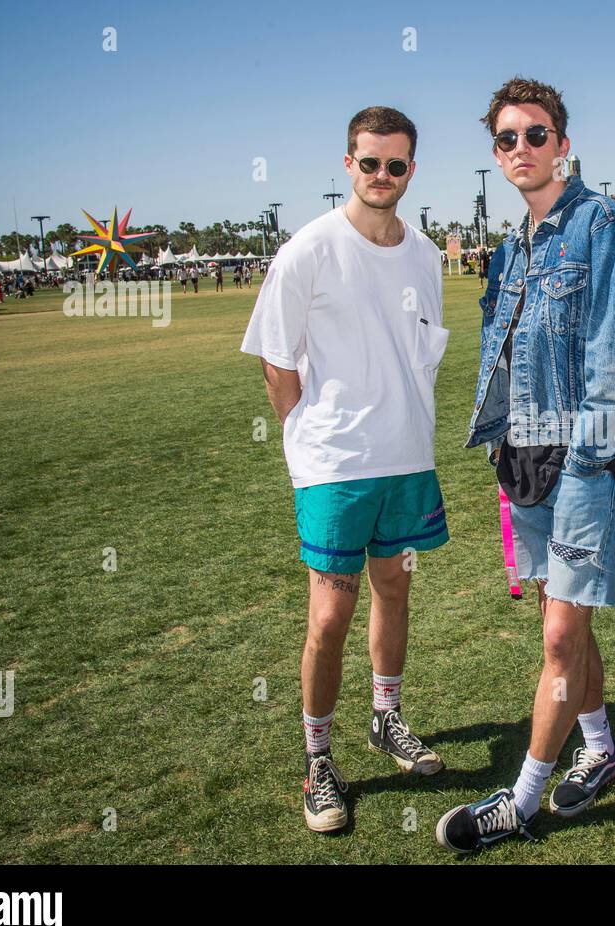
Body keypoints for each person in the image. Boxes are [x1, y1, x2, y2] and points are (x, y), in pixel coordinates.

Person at [438, 76, 615, 853]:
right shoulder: (511, 248)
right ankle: (600, 746)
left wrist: (584, 463)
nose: (521, 148)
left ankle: (521, 799)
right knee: (557, 619)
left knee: (562, 634)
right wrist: (502, 446)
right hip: (524, 458)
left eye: (536, 134)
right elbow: (504, 359)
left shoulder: (604, 225)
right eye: (506, 138)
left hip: (584, 460)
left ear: (563, 144)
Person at [240, 106, 450, 835]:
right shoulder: (308, 250)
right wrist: (308, 438)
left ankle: (387, 718)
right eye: (369, 162)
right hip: (334, 465)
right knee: (329, 615)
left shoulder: (426, 254)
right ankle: (318, 758)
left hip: (407, 457)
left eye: (396, 164)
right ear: (348, 165)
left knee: (394, 589)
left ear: (411, 170)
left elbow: (422, 354)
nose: (382, 175)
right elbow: (277, 361)